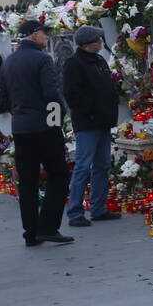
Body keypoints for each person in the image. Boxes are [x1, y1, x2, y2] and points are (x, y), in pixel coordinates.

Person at [0, 19, 73, 246]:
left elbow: (4, 98)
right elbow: (51, 94)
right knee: (58, 175)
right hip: (44, 127)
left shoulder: (9, 61)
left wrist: (19, 114)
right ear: (33, 34)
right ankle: (48, 227)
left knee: (28, 181)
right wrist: (59, 120)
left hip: (20, 128)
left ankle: (30, 232)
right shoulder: (42, 59)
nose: (46, 37)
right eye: (44, 33)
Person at [62, 25, 121, 227]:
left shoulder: (99, 60)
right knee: (83, 166)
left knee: (103, 165)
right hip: (88, 123)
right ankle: (75, 212)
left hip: (103, 121)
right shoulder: (74, 63)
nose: (101, 42)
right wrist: (92, 110)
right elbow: (71, 95)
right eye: (98, 39)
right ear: (88, 43)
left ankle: (98, 208)